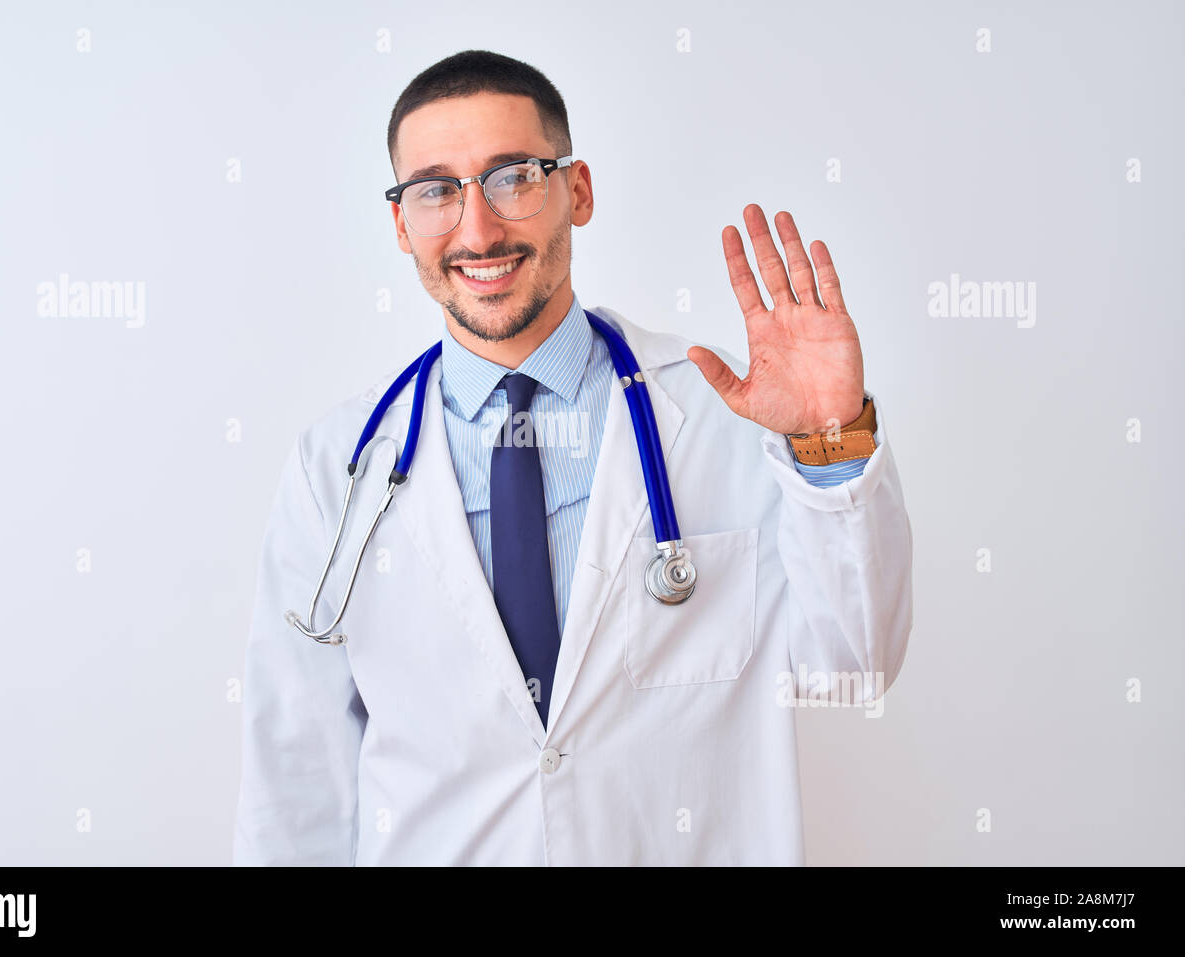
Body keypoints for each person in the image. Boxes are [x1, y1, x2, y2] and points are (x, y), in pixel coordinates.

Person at [232, 49, 913, 866]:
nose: (477, 228)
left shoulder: (724, 416)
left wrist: (830, 439)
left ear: (576, 190)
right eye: (436, 190)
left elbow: (857, 664)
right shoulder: (335, 468)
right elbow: (296, 783)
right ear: (402, 221)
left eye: (514, 176)